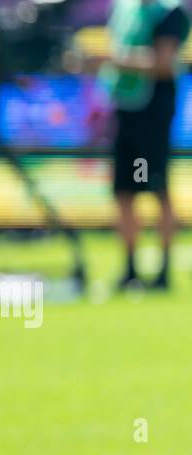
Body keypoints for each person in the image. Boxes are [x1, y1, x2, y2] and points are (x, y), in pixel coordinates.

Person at [103, 0, 190, 290]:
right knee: (124, 192)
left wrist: (112, 61)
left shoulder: (169, 11)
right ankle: (130, 270)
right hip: (125, 111)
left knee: (157, 189)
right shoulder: (124, 9)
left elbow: (163, 64)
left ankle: (163, 271)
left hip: (153, 113)